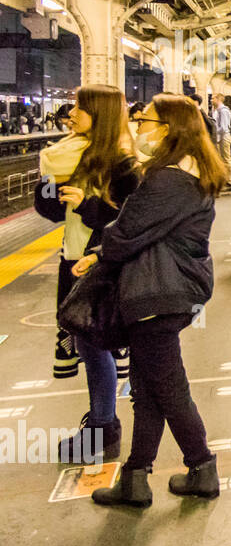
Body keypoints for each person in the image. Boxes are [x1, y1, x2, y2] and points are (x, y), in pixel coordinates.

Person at [87, 95, 225, 507]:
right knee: (148, 389)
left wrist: (96, 254)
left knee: (167, 388)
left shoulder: (168, 179)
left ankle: (202, 467)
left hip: (156, 291)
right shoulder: (188, 171)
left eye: (143, 119)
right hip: (168, 290)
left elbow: (126, 232)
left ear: (167, 128)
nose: (137, 126)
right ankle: (136, 476)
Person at [40, 87, 138, 452]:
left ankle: (102, 426)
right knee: (88, 344)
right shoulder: (68, 156)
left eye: (81, 107)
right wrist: (48, 189)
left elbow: (130, 222)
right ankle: (102, 422)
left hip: (99, 264)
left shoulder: (123, 162)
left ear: (101, 114)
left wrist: (88, 205)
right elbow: (52, 212)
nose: (72, 113)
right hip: (73, 257)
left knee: (95, 346)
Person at [213, 94, 231, 187]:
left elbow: (224, 127)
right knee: (222, 159)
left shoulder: (223, 111)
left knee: (226, 159)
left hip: (224, 137)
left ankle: (229, 180)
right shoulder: (218, 110)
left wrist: (213, 131)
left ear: (218, 99)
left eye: (213, 98)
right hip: (220, 137)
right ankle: (224, 178)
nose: (211, 100)